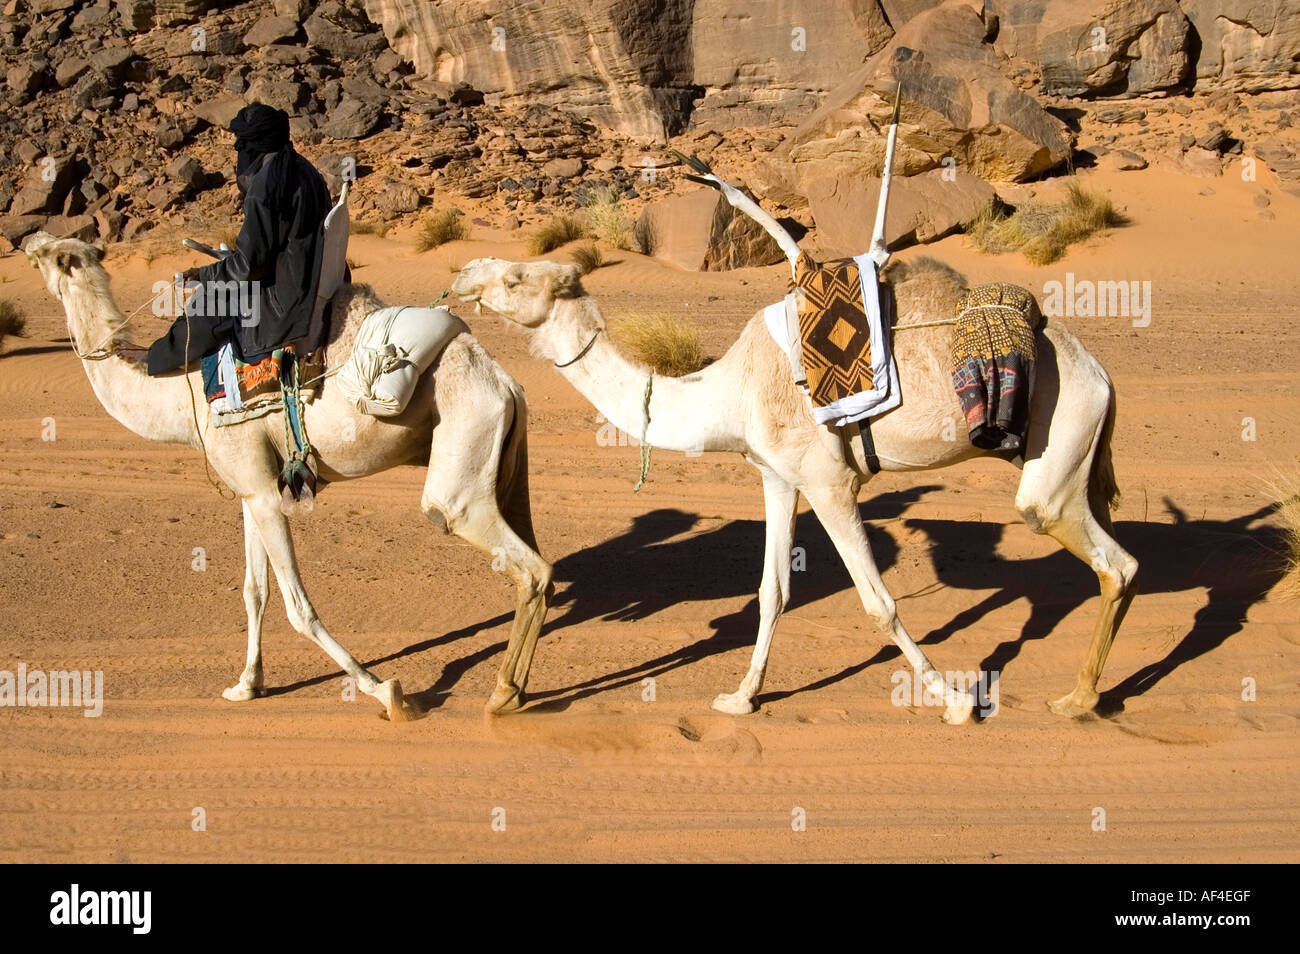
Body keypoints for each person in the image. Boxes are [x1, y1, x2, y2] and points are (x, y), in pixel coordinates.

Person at [147, 103, 331, 375]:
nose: (237, 151)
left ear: (252, 146)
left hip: (284, 300)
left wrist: (204, 274)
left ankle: (154, 364)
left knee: (209, 302)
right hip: (307, 279)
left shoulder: (266, 186)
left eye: (241, 144)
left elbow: (249, 266)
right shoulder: (304, 169)